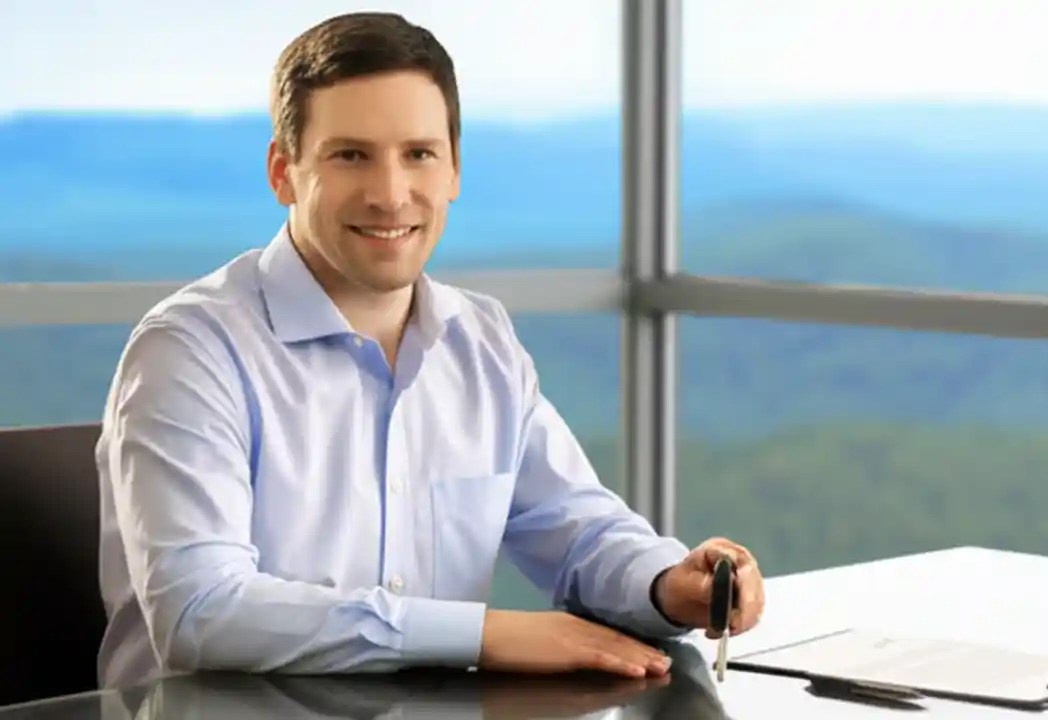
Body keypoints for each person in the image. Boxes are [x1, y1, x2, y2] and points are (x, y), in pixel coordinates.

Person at [94, 11, 764, 690]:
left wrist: (666, 581)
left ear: (453, 171)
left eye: (418, 153)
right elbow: (200, 612)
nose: (390, 195)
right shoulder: (189, 350)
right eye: (350, 155)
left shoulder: (480, 340)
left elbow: (577, 531)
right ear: (283, 172)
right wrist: (488, 634)